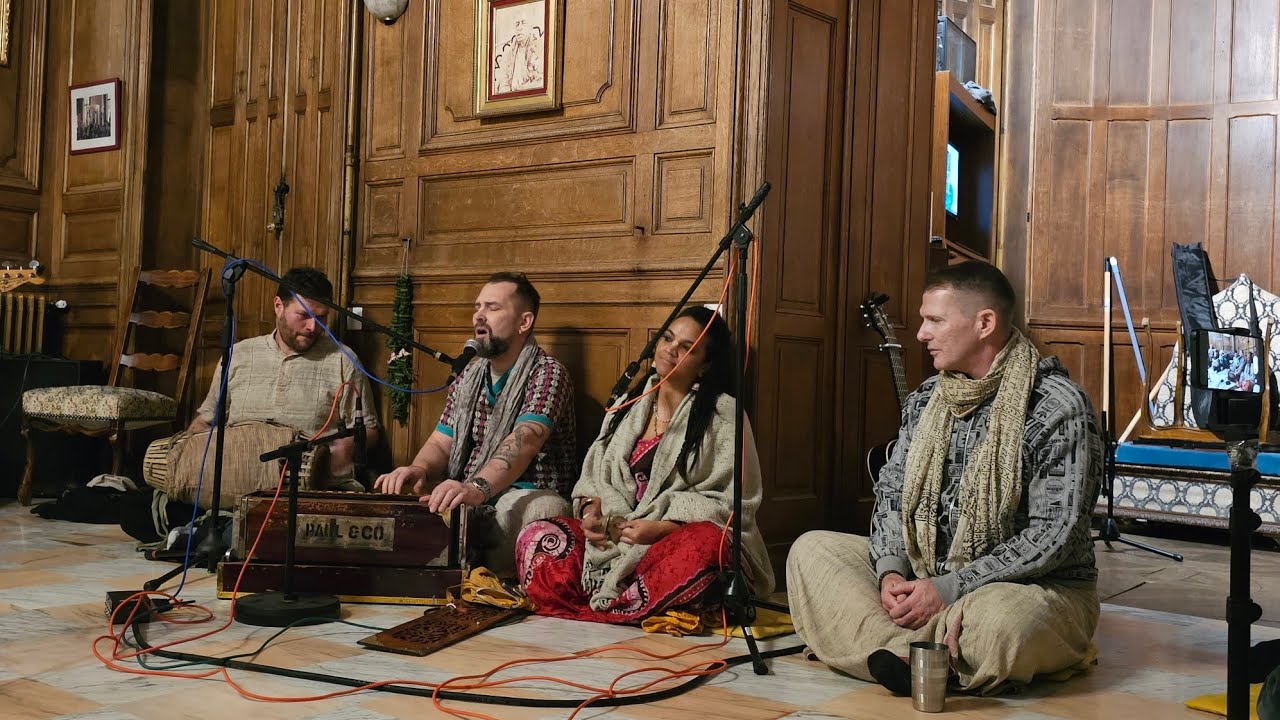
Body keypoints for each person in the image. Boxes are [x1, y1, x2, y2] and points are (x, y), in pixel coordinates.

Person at [787, 261, 1103, 695]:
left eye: (934, 320)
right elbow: (893, 496)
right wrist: (891, 575)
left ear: (984, 323)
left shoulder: (1057, 405)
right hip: (925, 575)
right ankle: (937, 657)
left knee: (1004, 626)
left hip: (1028, 589)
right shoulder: (926, 400)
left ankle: (900, 651)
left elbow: (1054, 535)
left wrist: (951, 588)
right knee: (811, 552)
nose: (920, 333)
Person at [513, 306, 774, 624]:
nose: (670, 349)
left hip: (670, 544)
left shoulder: (725, 415)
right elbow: (593, 478)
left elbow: (736, 503)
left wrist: (664, 529)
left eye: (686, 347)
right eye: (667, 338)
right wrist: (590, 514)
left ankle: (622, 600)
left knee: (705, 551)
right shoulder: (626, 406)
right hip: (612, 543)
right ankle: (628, 601)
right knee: (539, 536)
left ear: (704, 366)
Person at [374, 272, 577, 576]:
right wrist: (418, 469)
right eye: (477, 306)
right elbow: (442, 440)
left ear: (524, 322)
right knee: (426, 502)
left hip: (525, 489)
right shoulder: (469, 374)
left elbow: (526, 441)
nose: (479, 315)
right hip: (471, 487)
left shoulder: (548, 373)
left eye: (493, 308)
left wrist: (476, 489)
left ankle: (491, 587)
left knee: (538, 510)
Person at [190, 267, 379, 489]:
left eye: (321, 317)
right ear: (278, 306)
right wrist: (190, 449)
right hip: (237, 485)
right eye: (304, 315)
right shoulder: (238, 355)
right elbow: (206, 421)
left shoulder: (343, 360)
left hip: (307, 487)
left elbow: (369, 429)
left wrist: (345, 448)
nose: (312, 327)